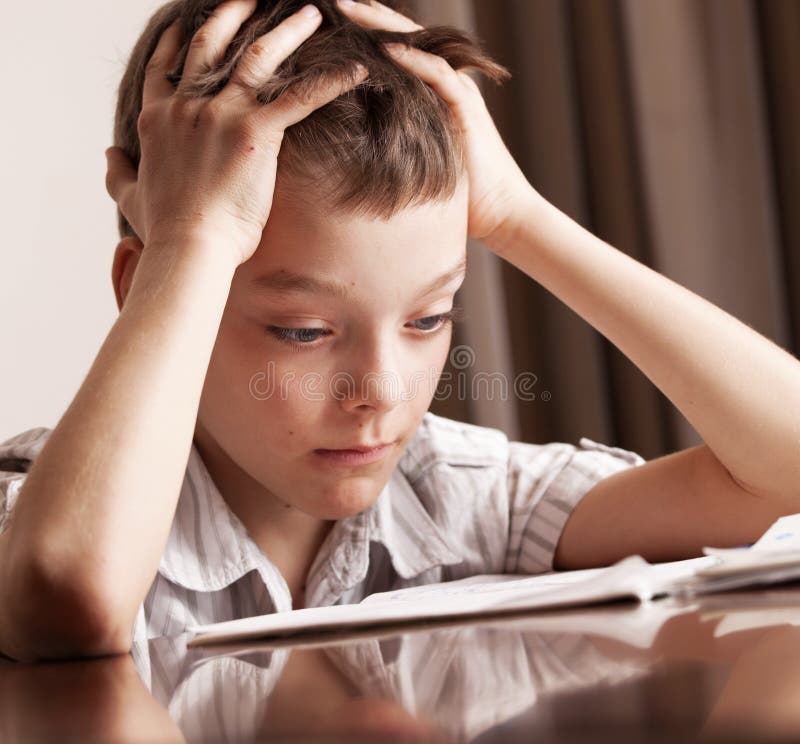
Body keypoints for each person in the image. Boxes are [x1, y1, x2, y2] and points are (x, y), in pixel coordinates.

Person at [1, 0, 798, 663]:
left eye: (428, 317)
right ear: (151, 291)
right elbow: (67, 602)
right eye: (304, 331)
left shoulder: (458, 497)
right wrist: (192, 244)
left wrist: (520, 219)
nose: (381, 392)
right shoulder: (37, 509)